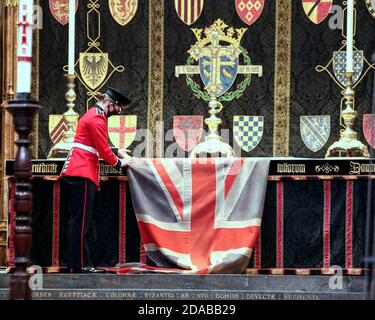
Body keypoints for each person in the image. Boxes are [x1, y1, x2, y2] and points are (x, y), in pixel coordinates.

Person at [60, 87, 133, 273]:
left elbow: (94, 142)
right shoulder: (96, 118)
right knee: (80, 223)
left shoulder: (93, 115)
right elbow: (102, 150)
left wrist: (118, 151)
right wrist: (121, 162)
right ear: (110, 104)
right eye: (117, 109)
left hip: (78, 171)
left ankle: (76, 263)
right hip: (82, 173)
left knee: (77, 221)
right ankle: (80, 264)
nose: (116, 113)